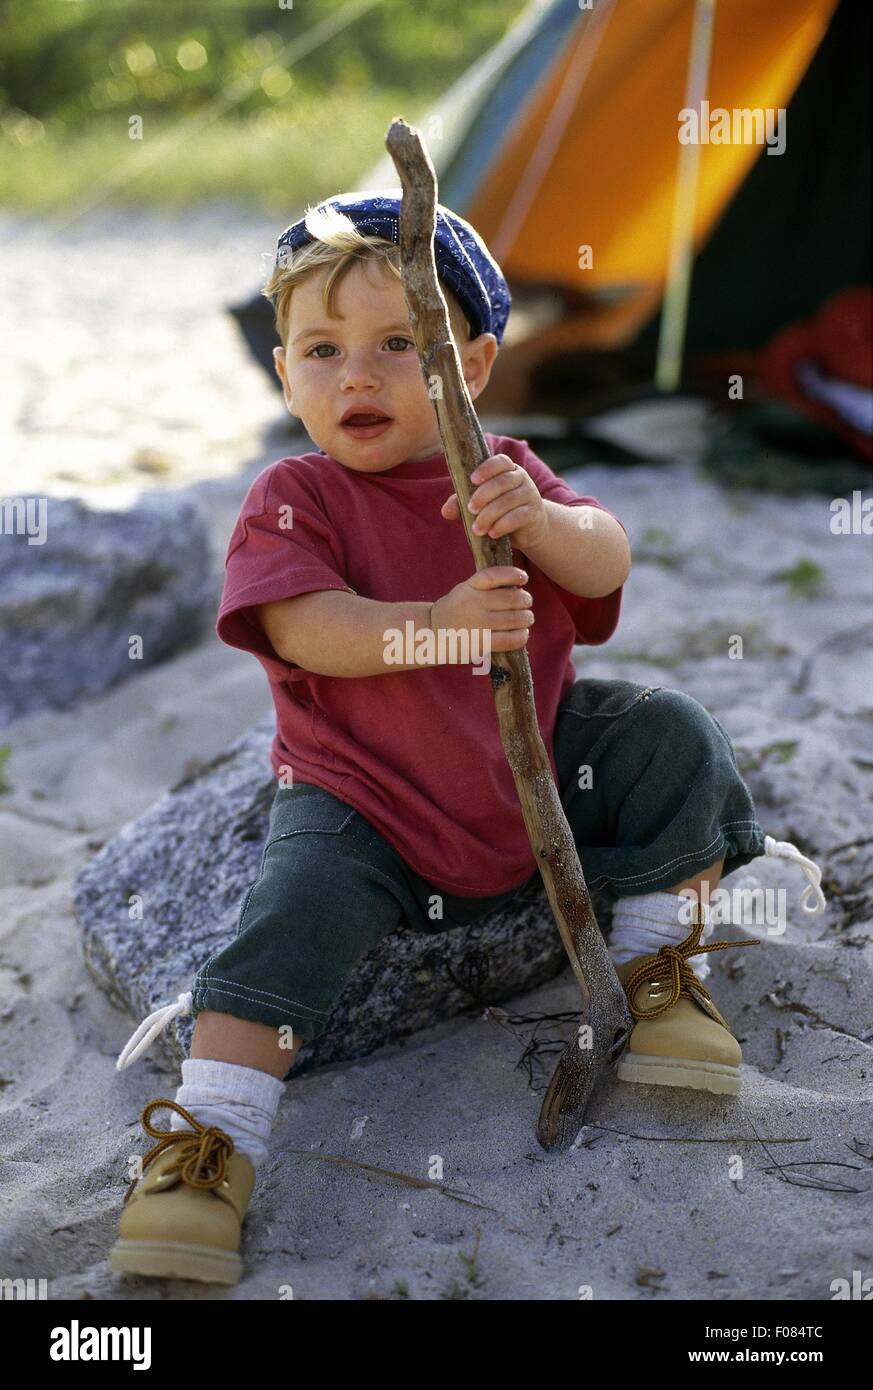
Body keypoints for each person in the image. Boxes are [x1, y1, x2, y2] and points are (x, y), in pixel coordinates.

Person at [109, 190, 826, 1286]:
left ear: (476, 365)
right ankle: (210, 1145)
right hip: (367, 802)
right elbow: (308, 626)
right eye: (323, 349)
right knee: (289, 920)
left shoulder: (501, 474)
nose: (359, 374)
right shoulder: (294, 496)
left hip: (532, 762)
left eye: (403, 344)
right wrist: (436, 628)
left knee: (669, 734)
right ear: (283, 370)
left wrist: (543, 524)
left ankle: (655, 974)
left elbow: (608, 558)